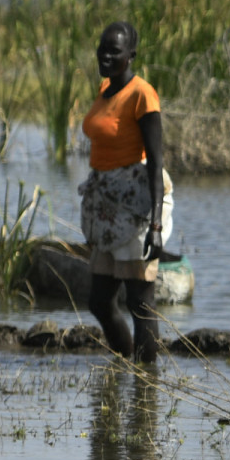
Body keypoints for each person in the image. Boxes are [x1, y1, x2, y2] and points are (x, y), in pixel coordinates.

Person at [79, 20, 171, 362]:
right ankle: (124, 362)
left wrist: (157, 226)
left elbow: (156, 163)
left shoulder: (142, 95)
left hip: (138, 203)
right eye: (102, 48)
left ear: (131, 55)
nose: (105, 55)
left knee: (140, 301)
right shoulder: (105, 88)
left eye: (113, 51)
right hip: (106, 201)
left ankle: (147, 381)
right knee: (100, 301)